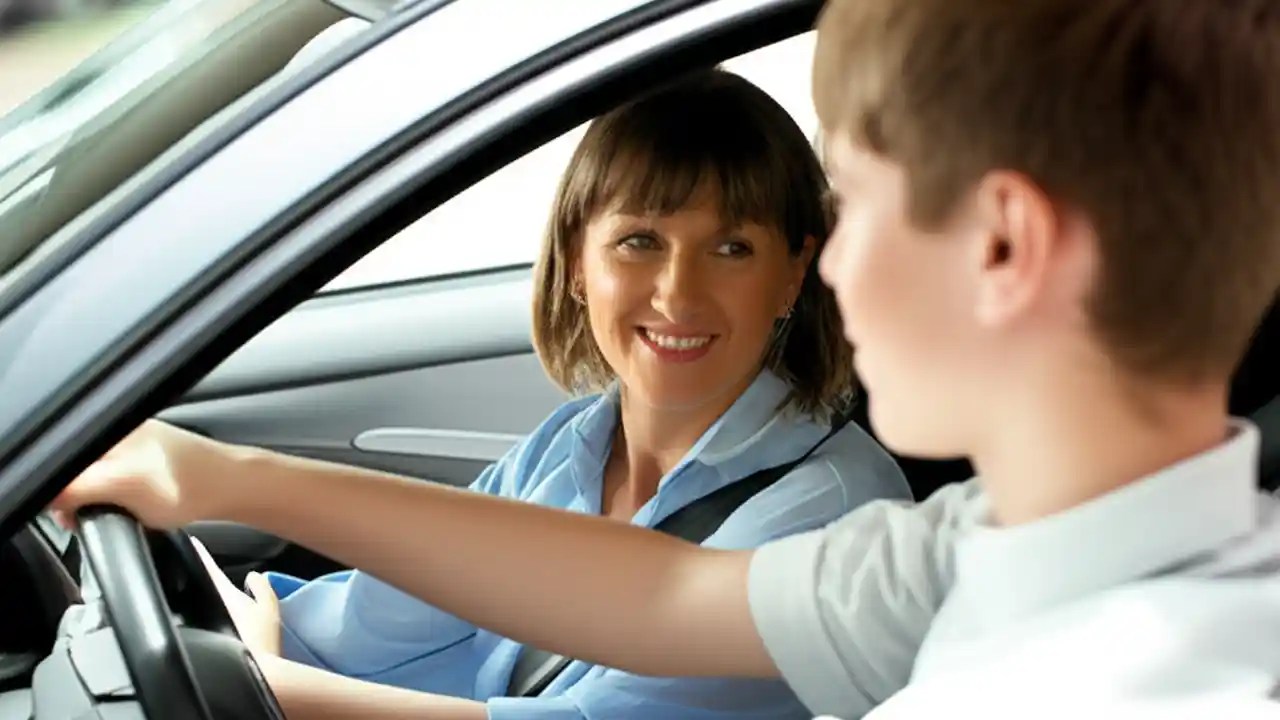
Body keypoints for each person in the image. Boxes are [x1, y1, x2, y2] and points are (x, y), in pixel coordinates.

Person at [53, 0, 1280, 717]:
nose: (834, 268)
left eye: (854, 206)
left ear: (1000, 245)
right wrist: (225, 479)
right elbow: (652, 598)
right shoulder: (950, 558)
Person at [76, 67, 912, 720]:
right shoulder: (569, 445)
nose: (677, 293)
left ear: (794, 272)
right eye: (638, 242)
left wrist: (258, 685)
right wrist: (247, 625)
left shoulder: (835, 515)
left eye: (731, 248)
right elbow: (368, 623)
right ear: (578, 264)